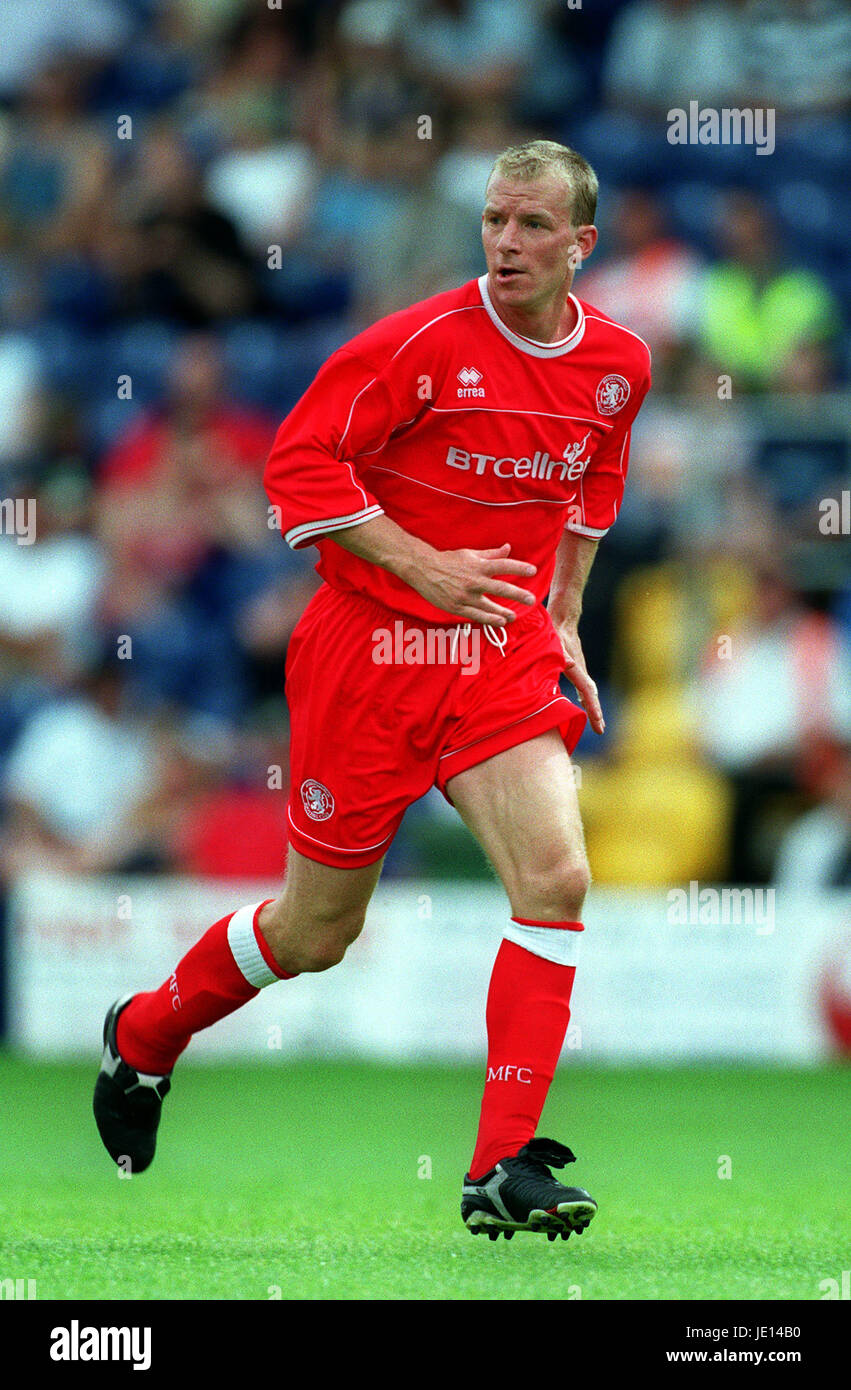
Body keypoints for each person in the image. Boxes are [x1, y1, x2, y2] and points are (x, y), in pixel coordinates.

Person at [93, 139, 652, 1241]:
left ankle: (500, 1166)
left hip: (497, 647)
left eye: (533, 225)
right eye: (494, 219)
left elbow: (593, 483)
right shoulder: (417, 343)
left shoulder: (619, 365)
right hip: (370, 650)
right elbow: (300, 463)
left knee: (555, 876)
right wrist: (421, 563)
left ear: (580, 245)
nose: (505, 242)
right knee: (312, 932)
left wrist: (567, 615)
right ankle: (148, 1032)